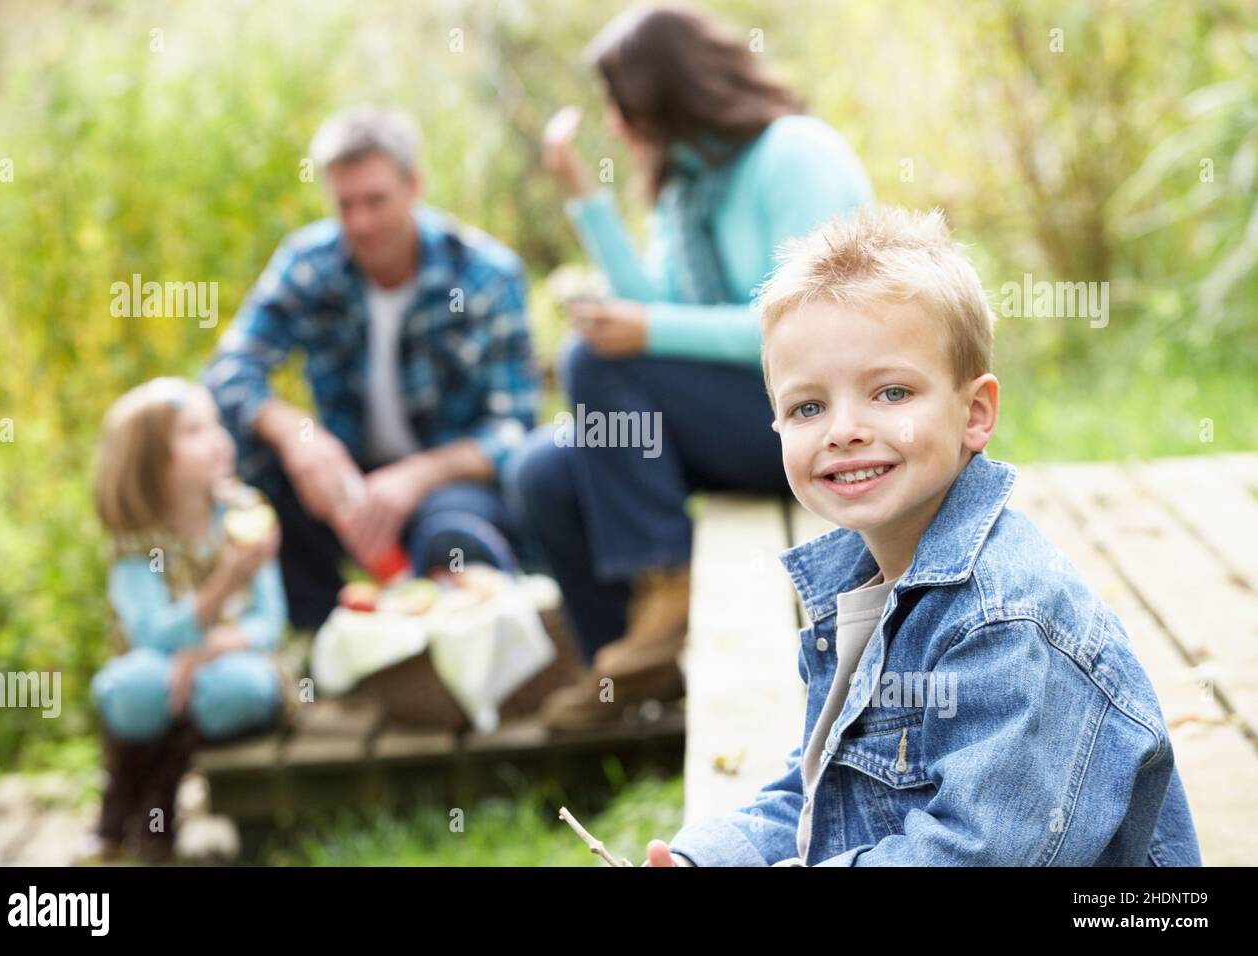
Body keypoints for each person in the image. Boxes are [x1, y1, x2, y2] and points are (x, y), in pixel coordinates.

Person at [642, 206, 1201, 865]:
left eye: (891, 393)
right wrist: (705, 857)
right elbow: (823, 791)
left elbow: (978, 853)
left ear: (976, 412)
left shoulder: (1005, 620)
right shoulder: (861, 583)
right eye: (808, 407)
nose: (843, 429)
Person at [509, 4, 873, 728]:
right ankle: (626, 680)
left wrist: (642, 329)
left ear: (668, 93)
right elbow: (657, 305)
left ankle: (665, 581)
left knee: (599, 362)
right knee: (540, 472)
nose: (613, 124)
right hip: (736, 415)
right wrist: (585, 197)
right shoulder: (690, 186)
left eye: (621, 105)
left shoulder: (792, 155)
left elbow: (804, 328)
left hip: (823, 415)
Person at [204, 106, 541, 629]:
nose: (360, 222)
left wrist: (416, 477)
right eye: (345, 204)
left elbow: (514, 426)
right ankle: (327, 649)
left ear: (415, 187)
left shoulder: (484, 274)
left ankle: (459, 660)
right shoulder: (310, 263)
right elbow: (231, 369)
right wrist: (299, 435)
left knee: (453, 536)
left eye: (376, 201)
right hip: (344, 485)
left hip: (447, 483)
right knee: (239, 460)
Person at [88, 377, 287, 862]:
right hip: (160, 670)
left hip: (229, 663)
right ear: (152, 462)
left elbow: (269, 622)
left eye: (217, 424)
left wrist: (210, 650)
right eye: (194, 431)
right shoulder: (137, 543)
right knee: (134, 686)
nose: (220, 439)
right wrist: (222, 584)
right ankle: (129, 805)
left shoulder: (246, 515)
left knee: (236, 688)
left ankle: (158, 795)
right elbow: (151, 634)